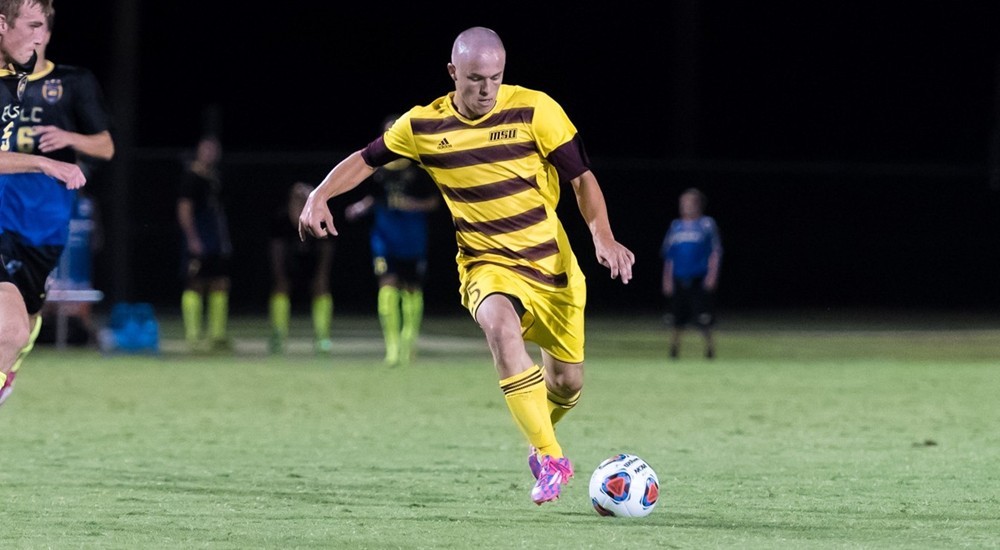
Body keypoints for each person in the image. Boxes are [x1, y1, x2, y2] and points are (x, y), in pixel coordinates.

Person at [299, 26, 635, 506]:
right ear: (453, 72)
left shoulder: (537, 109)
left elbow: (581, 179)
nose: (486, 90)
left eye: (495, 78)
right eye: (476, 78)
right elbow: (367, 158)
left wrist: (603, 236)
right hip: (485, 264)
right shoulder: (422, 126)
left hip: (552, 267)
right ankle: (552, 455)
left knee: (567, 382)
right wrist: (319, 195)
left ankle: (537, 439)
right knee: (500, 326)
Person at [0, 0, 104, 407]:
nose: (39, 37)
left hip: (34, 227)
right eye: (31, 25)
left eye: (44, 27)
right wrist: (44, 163)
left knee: (15, 329)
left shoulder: (15, 82)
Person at [344, 114, 440, 367]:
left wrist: (413, 204)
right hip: (384, 237)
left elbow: (434, 202)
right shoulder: (375, 167)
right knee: (387, 286)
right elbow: (372, 197)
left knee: (411, 290)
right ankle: (392, 347)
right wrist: (359, 207)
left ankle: (410, 340)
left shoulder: (419, 167)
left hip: (412, 238)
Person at [176, 134, 232, 352]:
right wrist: (192, 239)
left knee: (220, 282)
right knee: (195, 283)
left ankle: (217, 335)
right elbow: (184, 209)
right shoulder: (191, 178)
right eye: (206, 149)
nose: (210, 154)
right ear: (199, 151)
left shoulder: (214, 178)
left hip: (216, 240)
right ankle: (193, 336)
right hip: (199, 238)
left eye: (214, 150)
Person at [268, 181, 334, 354]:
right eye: (296, 199)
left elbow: (326, 248)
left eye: (304, 199)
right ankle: (278, 335)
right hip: (290, 262)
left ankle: (322, 337)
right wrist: (279, 274)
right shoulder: (281, 219)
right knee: (280, 288)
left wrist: (321, 274)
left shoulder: (319, 218)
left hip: (312, 261)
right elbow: (277, 251)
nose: (300, 203)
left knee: (321, 288)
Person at [660, 187, 722, 359]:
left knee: (703, 317)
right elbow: (669, 256)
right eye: (683, 202)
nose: (686, 206)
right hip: (679, 278)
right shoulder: (675, 226)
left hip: (699, 279)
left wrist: (712, 275)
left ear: (699, 205)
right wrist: (666, 279)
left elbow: (715, 252)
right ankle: (673, 351)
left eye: (690, 203)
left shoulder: (707, 224)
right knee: (676, 318)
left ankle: (710, 350)